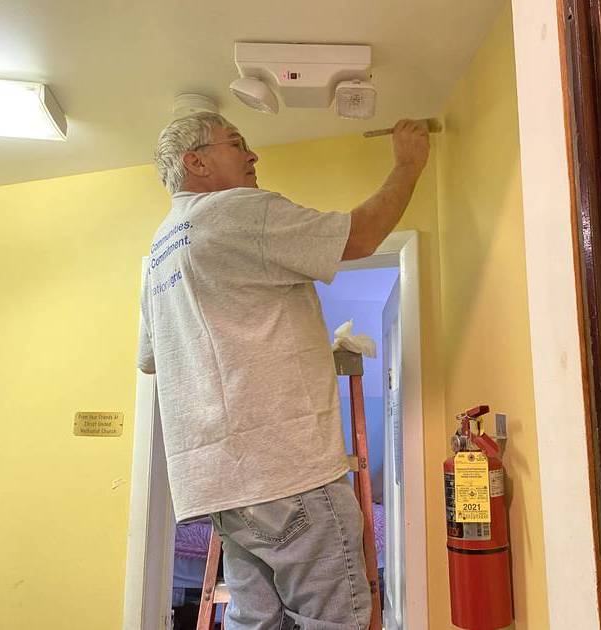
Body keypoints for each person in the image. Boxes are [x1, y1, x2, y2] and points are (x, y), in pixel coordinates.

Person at [137, 112, 429, 630]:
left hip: (220, 487)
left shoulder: (161, 249)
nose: (253, 156)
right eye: (237, 144)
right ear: (195, 161)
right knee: (335, 618)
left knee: (255, 622)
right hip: (286, 470)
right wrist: (408, 165)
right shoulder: (235, 211)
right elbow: (358, 238)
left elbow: (152, 359)